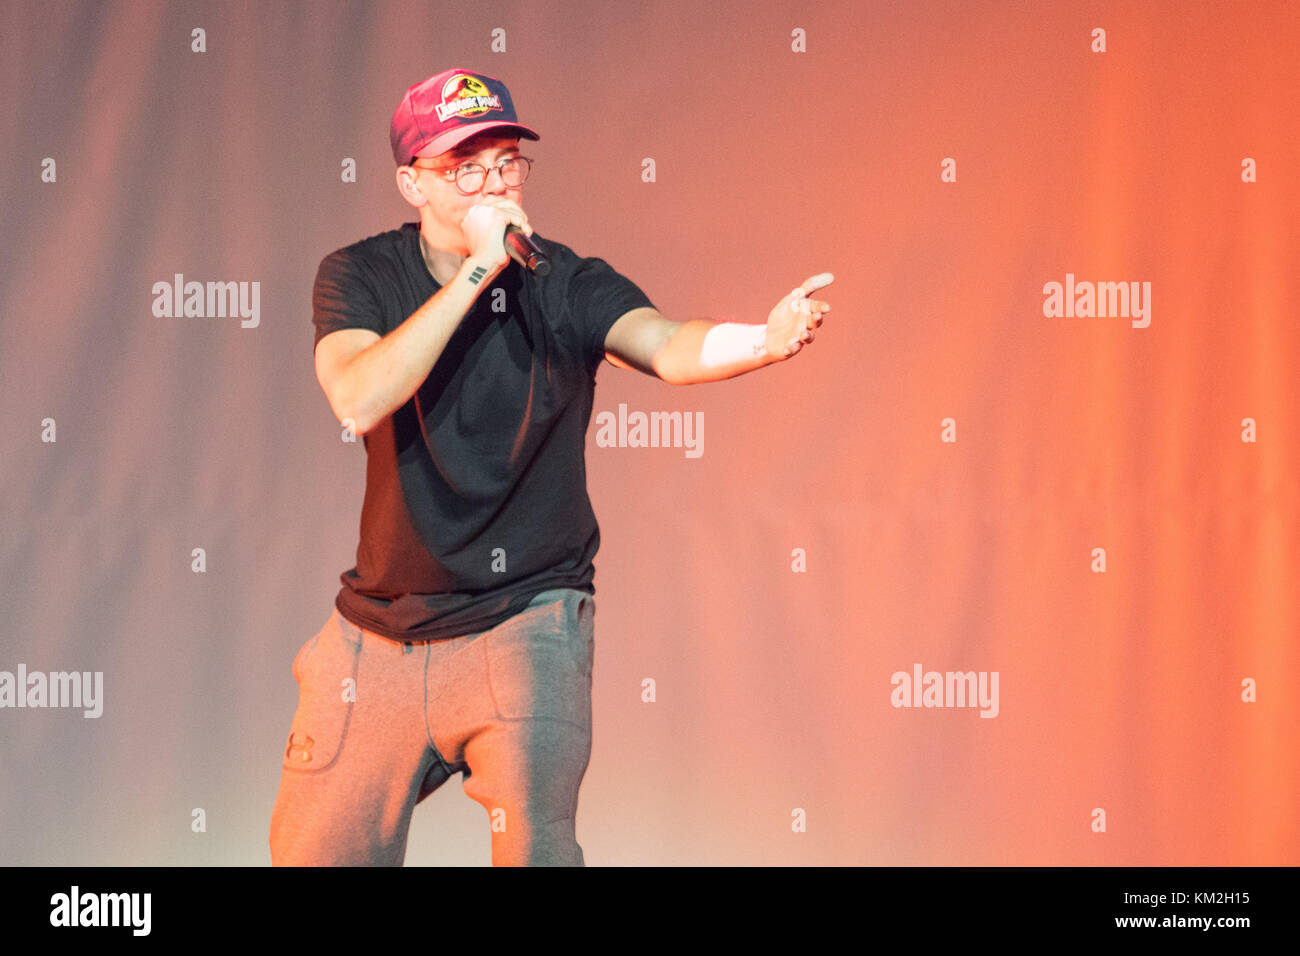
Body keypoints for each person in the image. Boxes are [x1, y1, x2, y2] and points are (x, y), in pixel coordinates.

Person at [268, 68, 832, 866]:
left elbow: (665, 344)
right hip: (381, 632)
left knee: (534, 849)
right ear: (411, 185)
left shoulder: (562, 281)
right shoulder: (359, 276)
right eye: (466, 169)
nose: (494, 186)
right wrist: (476, 273)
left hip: (524, 621)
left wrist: (762, 340)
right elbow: (359, 396)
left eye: (505, 163)